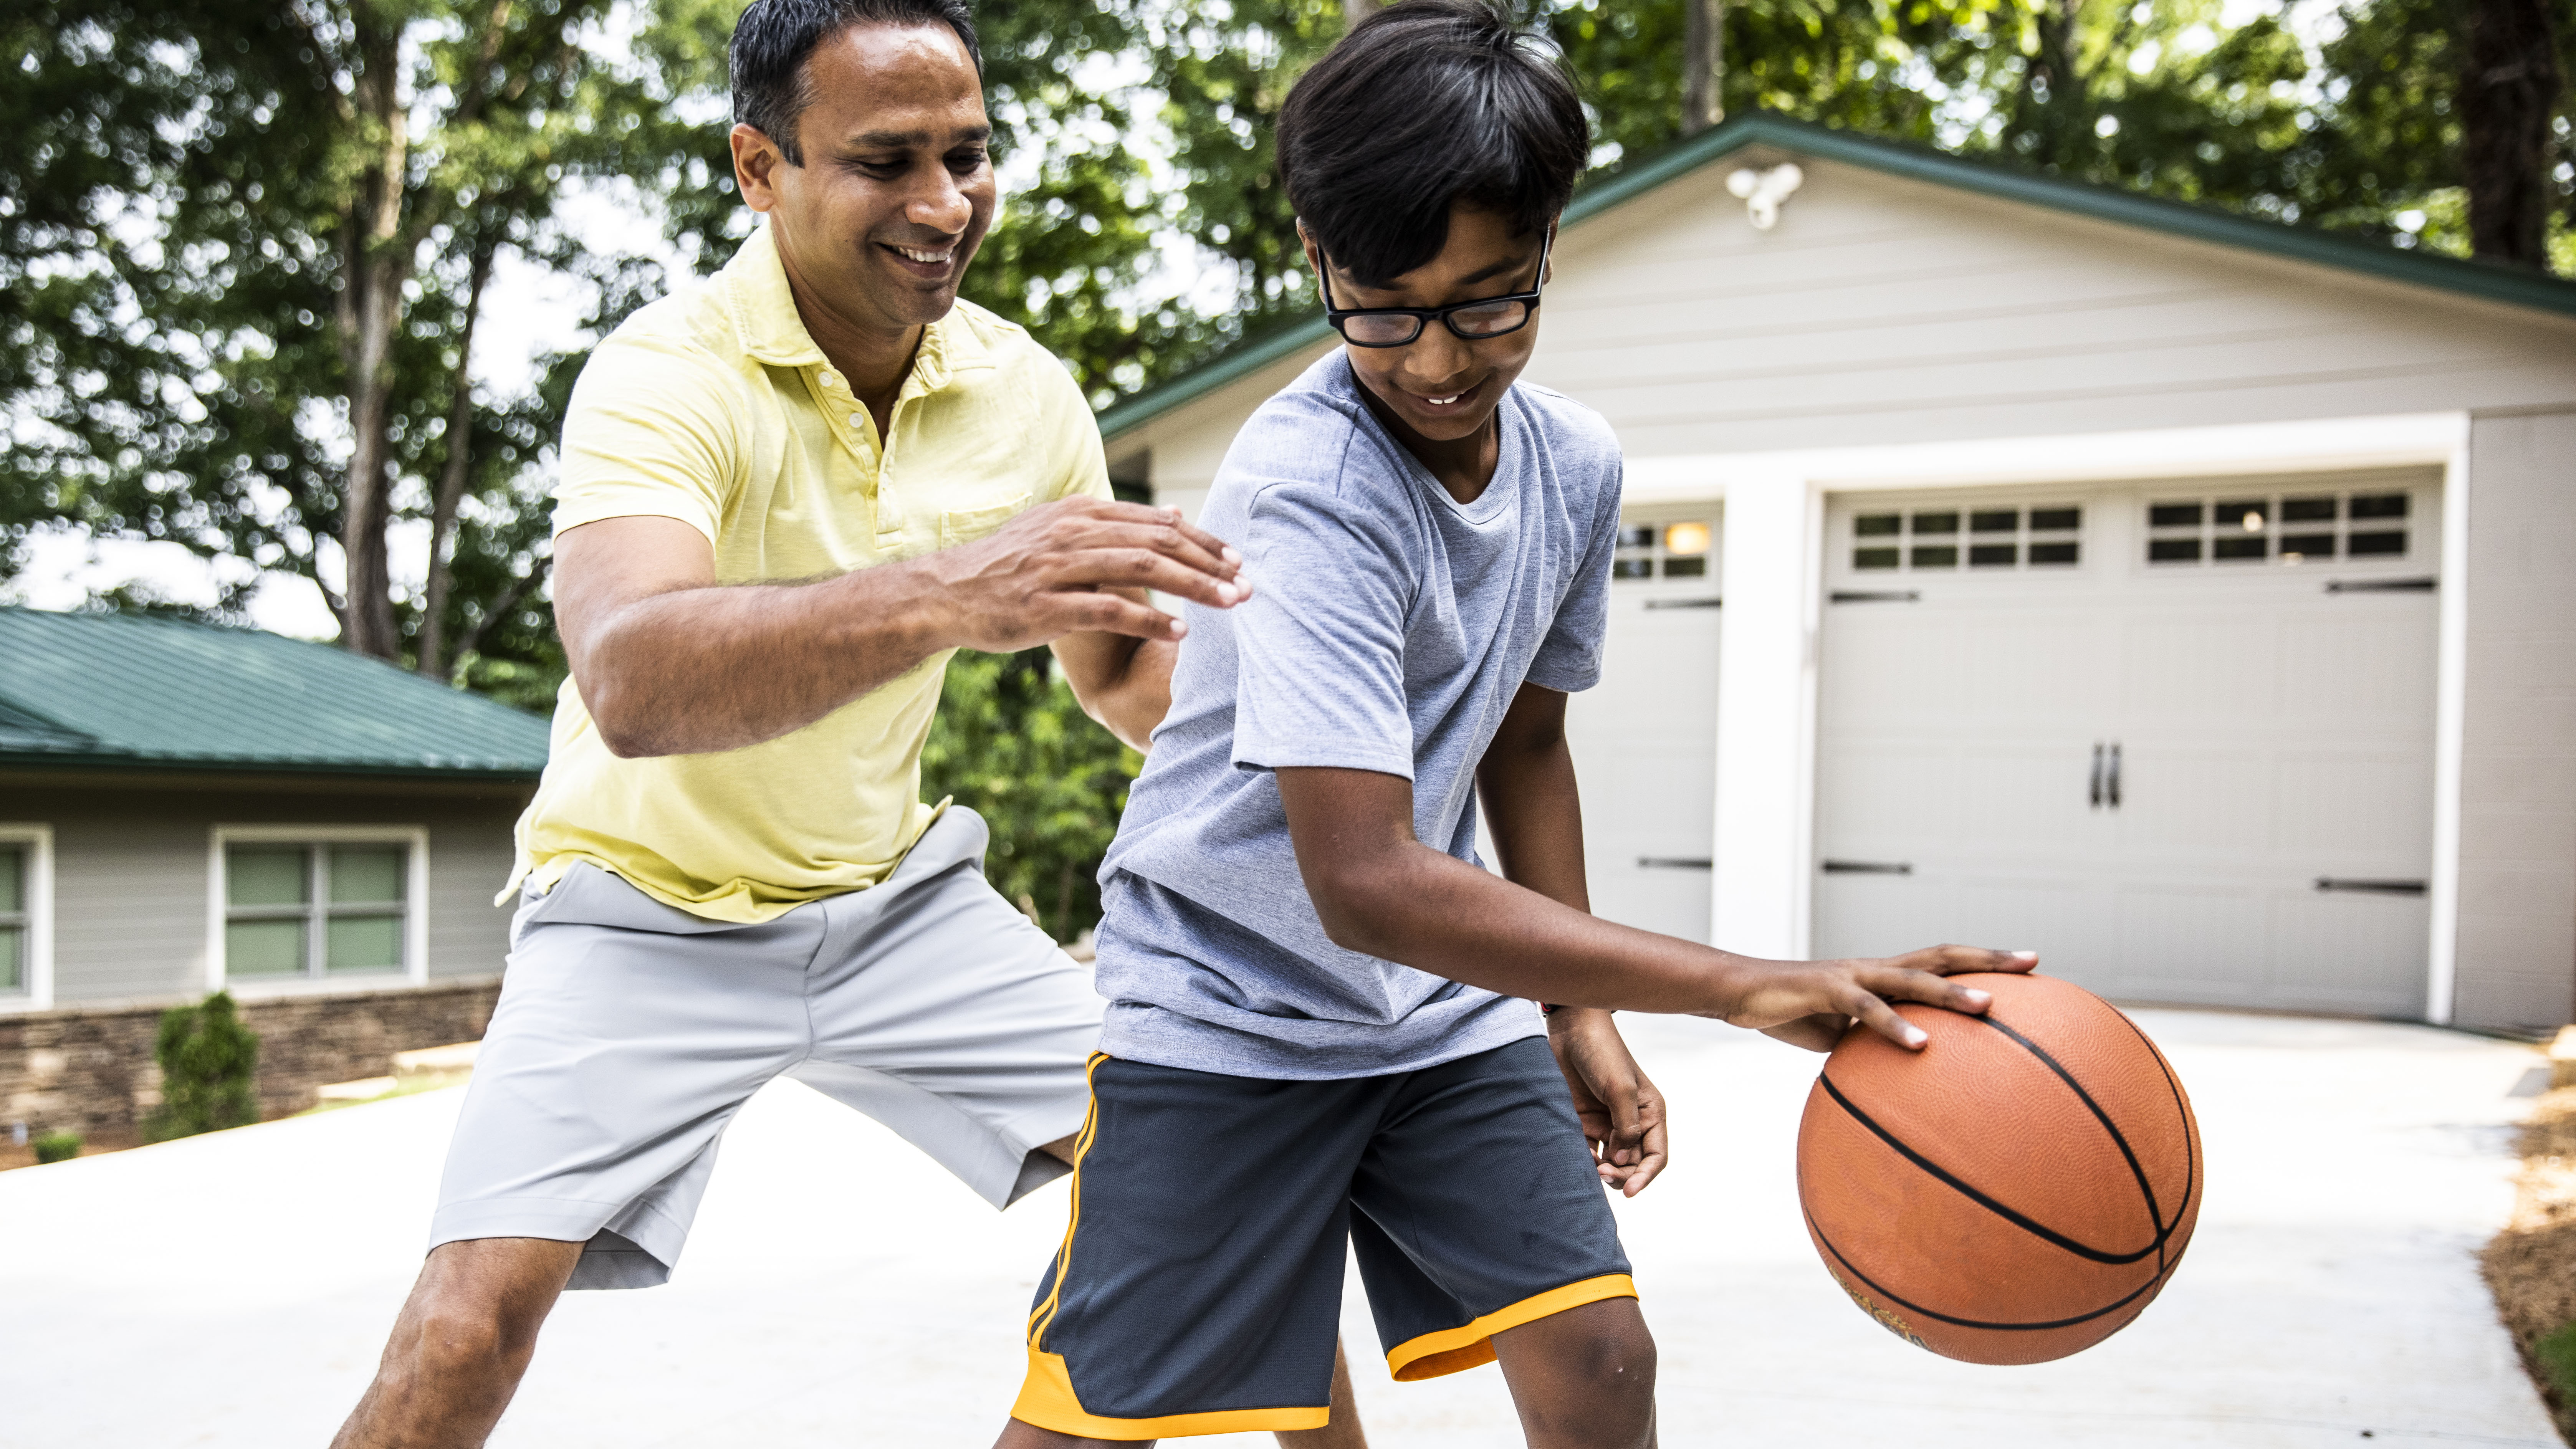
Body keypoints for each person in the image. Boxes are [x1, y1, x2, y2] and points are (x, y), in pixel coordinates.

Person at [328, 3, 1380, 1446]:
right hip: (638, 917)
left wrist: (1337, 775)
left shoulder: (1023, 391)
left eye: (970, 154)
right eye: (889, 161)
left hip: (898, 908)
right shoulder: (664, 374)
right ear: (760, 168)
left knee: (1216, 1192)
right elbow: (632, 682)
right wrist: (952, 591)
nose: (946, 206)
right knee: (462, 1332)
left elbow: (1128, 676)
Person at [991, 5, 2037, 1447]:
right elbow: (1362, 881)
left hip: (1433, 1014)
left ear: (1549, 246)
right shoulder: (1312, 489)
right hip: (1224, 1014)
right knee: (1100, 1425)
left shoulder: (1574, 466)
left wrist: (1580, 1012)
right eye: (1384, 307)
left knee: (1602, 1360)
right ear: (1318, 264)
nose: (1434, 361)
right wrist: (1737, 984)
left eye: (1487, 301)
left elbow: (1526, 744)